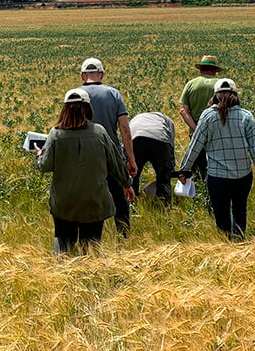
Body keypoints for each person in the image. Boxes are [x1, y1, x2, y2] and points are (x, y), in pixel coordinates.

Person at [35, 88, 134, 254]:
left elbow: (44, 166)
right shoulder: (99, 132)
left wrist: (39, 154)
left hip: (64, 203)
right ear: (88, 109)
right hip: (94, 201)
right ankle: (92, 276)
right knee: (92, 244)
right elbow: (115, 163)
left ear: (64, 110)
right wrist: (127, 184)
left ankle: (60, 275)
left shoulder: (56, 134)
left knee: (63, 241)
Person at [177, 79, 255, 240]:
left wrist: (184, 170)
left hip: (217, 177)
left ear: (215, 96)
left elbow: (195, 145)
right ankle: (239, 241)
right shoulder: (246, 116)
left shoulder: (207, 116)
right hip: (243, 176)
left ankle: (225, 244)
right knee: (240, 210)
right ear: (235, 95)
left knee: (221, 214)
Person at [78, 57, 137, 236]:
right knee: (120, 198)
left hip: (84, 156)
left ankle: (91, 240)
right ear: (102, 74)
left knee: (89, 198)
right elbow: (125, 129)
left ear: (82, 76)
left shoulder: (75, 95)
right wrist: (130, 160)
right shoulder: (113, 94)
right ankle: (123, 236)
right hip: (111, 155)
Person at [178, 55, 223, 180]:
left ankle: (197, 192)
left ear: (201, 69)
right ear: (215, 70)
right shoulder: (220, 84)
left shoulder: (191, 84)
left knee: (197, 166)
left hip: (195, 130)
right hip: (217, 130)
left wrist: (197, 128)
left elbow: (183, 111)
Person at [128, 112, 176, 205]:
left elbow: (127, 137)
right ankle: (164, 206)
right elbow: (170, 143)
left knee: (133, 175)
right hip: (160, 141)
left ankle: (131, 203)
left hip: (137, 140)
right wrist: (170, 167)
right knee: (164, 178)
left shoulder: (136, 119)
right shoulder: (168, 120)